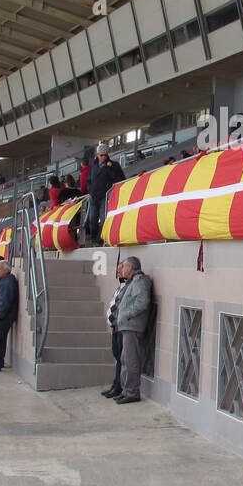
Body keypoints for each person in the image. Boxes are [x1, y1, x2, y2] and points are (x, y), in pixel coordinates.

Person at [113, 257, 152, 404]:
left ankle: (132, 391)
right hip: (126, 325)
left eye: (125, 266)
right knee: (124, 359)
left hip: (132, 325)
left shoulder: (140, 281)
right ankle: (125, 389)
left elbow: (142, 302)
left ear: (132, 267)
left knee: (131, 359)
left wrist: (127, 315)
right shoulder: (130, 282)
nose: (122, 269)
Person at [85, 143, 124, 247]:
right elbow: (88, 180)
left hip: (105, 196)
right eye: (101, 155)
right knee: (92, 219)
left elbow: (119, 179)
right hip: (94, 195)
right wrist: (90, 190)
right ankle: (95, 238)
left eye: (105, 155)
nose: (103, 157)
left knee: (103, 219)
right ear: (97, 155)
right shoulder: (93, 166)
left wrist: (109, 169)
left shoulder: (113, 165)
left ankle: (99, 239)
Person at [100, 261, 128, 400]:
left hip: (121, 327)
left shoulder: (128, 288)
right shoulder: (120, 288)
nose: (118, 273)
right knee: (117, 357)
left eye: (121, 270)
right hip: (115, 327)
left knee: (121, 358)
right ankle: (115, 385)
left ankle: (119, 386)